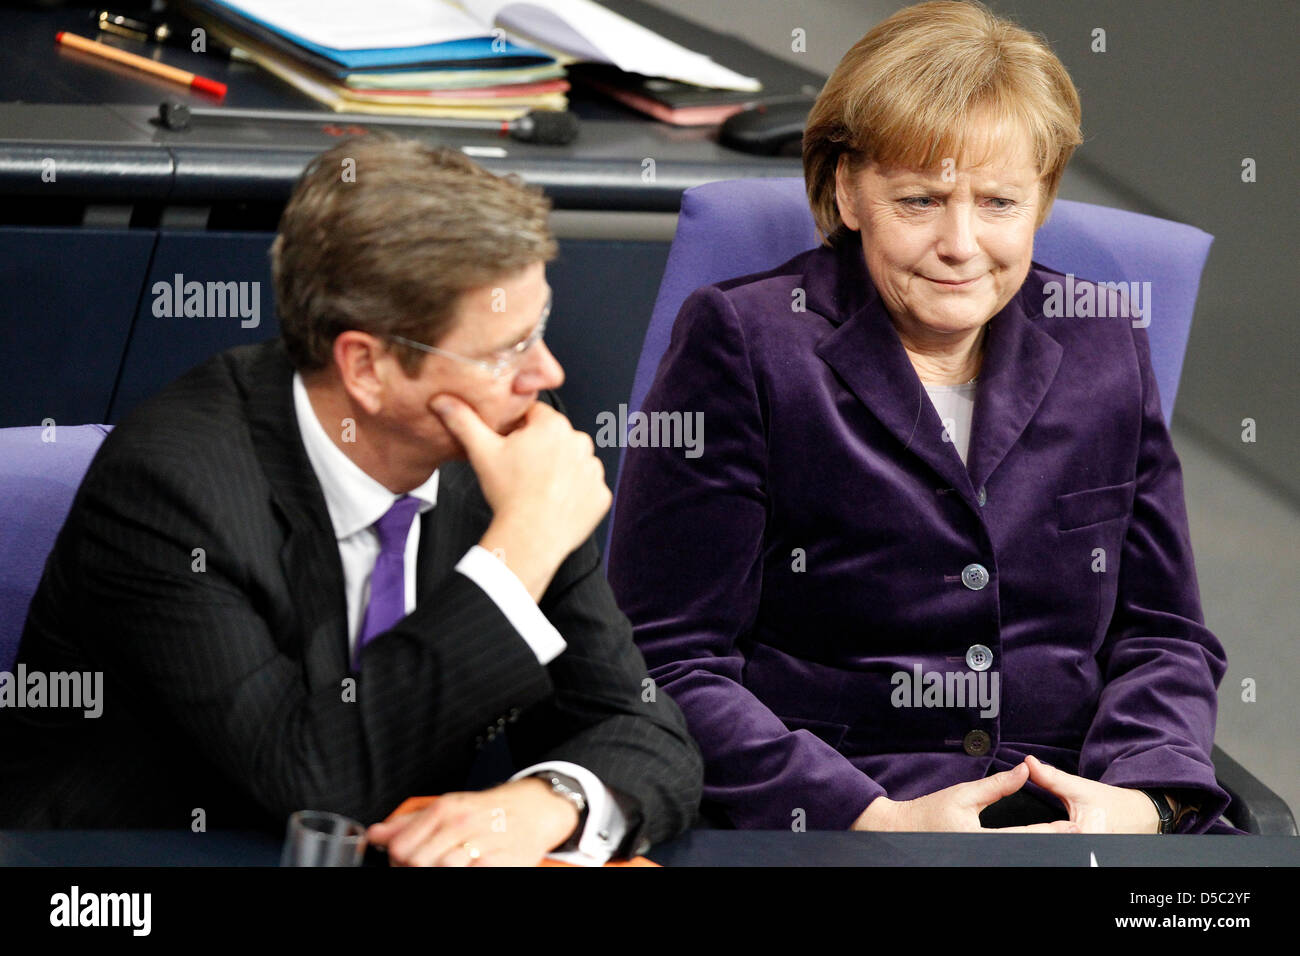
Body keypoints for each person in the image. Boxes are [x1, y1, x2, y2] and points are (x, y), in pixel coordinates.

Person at [607, 0, 1232, 834]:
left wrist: (1147, 801)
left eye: (999, 203)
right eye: (920, 200)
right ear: (847, 191)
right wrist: (868, 817)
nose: (961, 243)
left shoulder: (1101, 338)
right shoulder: (748, 343)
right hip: (847, 817)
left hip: (1078, 815)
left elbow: (1163, 632)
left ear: (1042, 201)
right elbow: (668, 659)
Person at [0, 134, 702, 865]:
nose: (547, 372)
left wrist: (549, 799)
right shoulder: (172, 489)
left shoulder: (501, 447)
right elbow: (312, 787)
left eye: (540, 332)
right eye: (504, 349)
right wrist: (518, 549)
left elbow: (650, 732)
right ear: (365, 366)